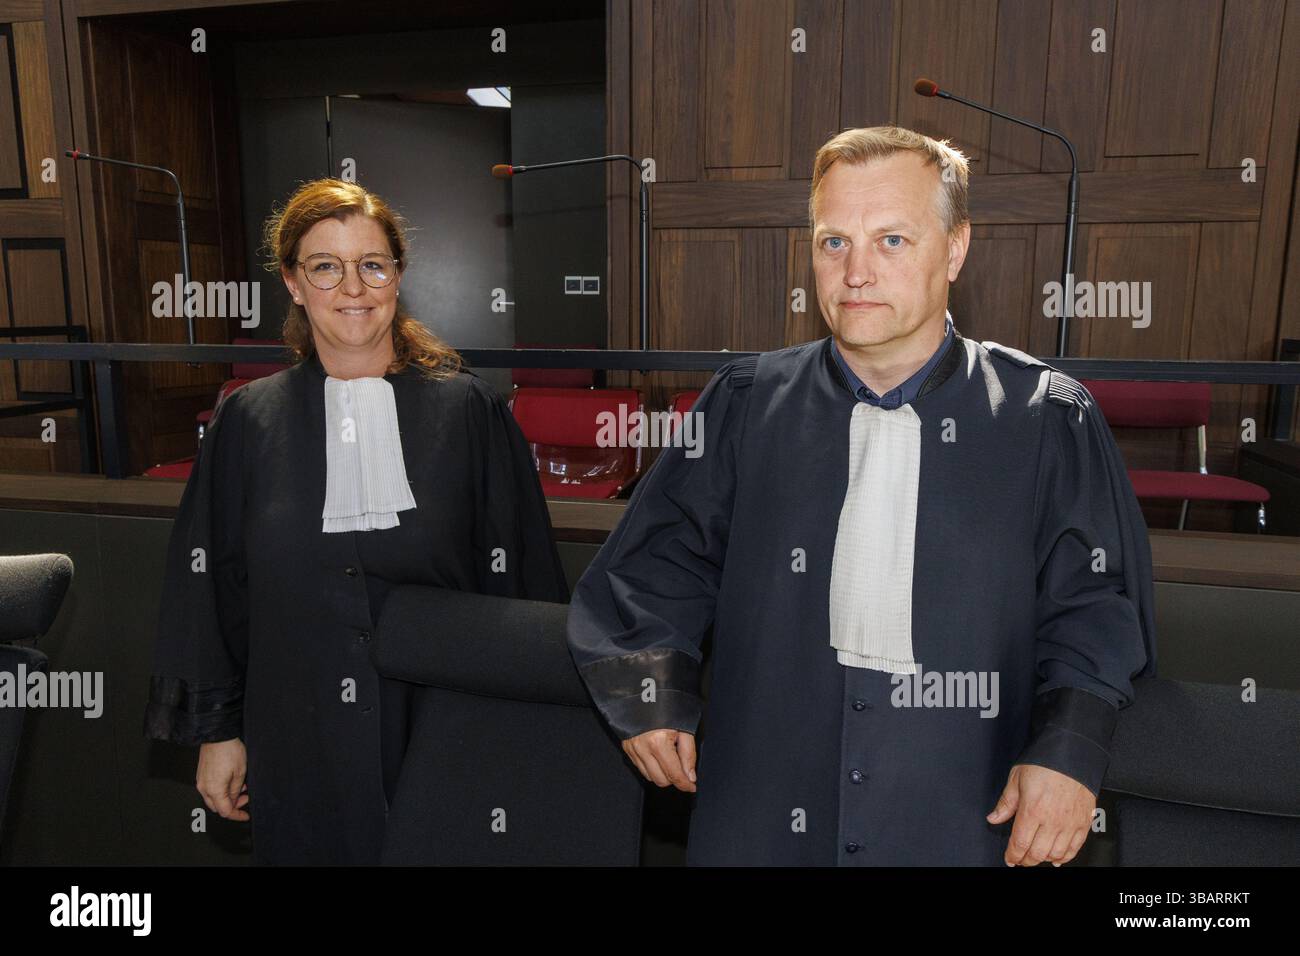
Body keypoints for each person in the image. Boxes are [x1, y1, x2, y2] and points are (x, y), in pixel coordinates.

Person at [566, 126, 1156, 866]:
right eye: (833, 242)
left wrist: (1069, 752)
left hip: (962, 808)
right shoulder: (746, 404)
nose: (856, 273)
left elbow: (1095, 608)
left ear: (956, 248)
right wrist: (649, 689)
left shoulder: (1047, 419)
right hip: (762, 802)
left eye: (893, 241)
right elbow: (655, 564)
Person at [144, 179, 568, 864]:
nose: (353, 287)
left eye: (373, 264)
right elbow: (209, 586)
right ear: (292, 281)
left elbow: (525, 586)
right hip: (297, 734)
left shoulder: (469, 415)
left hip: (447, 730)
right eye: (325, 266)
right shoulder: (247, 422)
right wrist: (217, 733)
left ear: (397, 276)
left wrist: (526, 736)